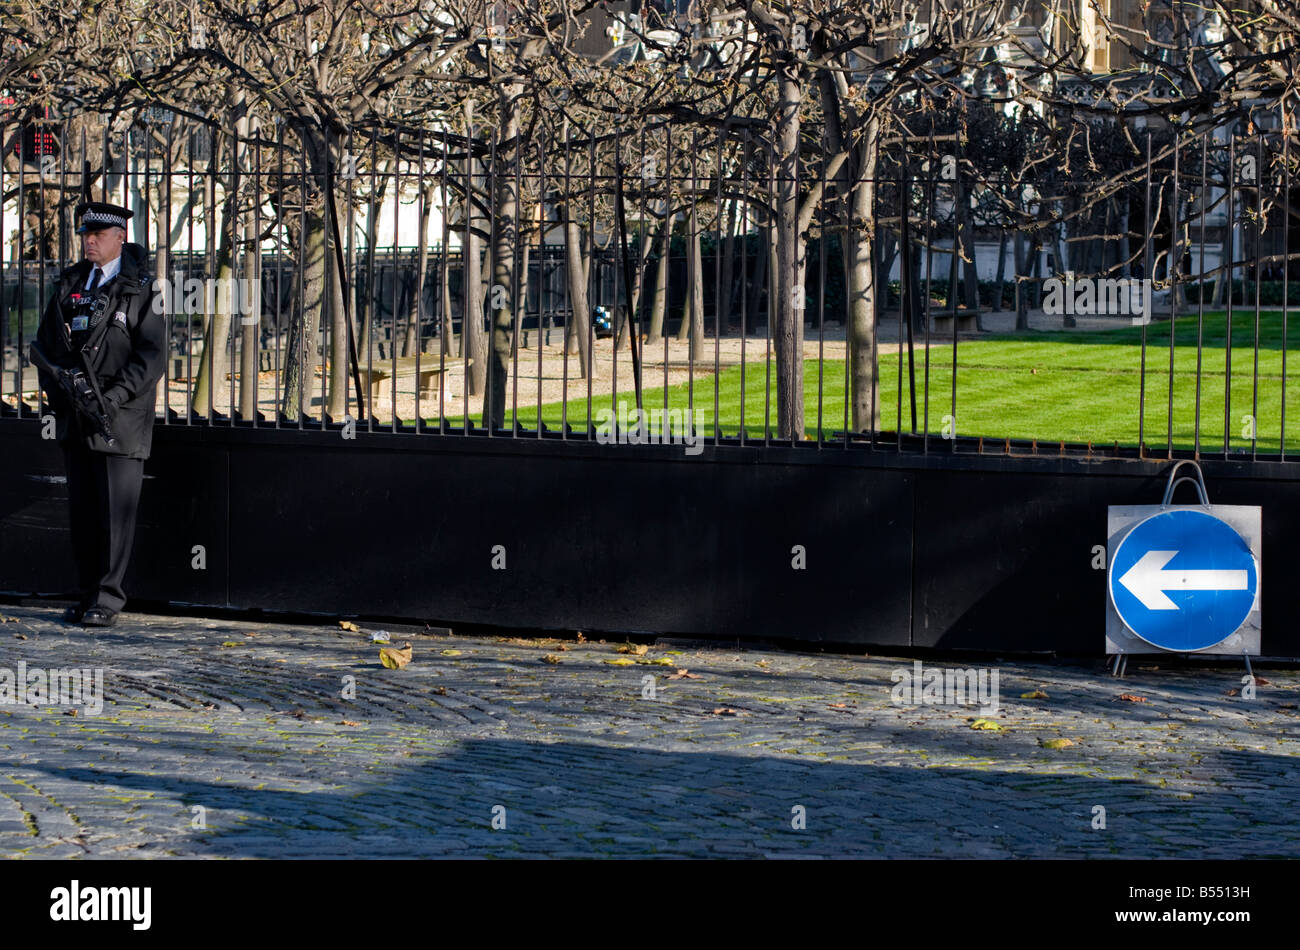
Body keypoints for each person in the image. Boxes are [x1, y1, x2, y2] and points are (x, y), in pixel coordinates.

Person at [32, 201, 166, 627]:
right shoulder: (70, 283)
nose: (89, 240)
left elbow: (154, 355)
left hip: (120, 417)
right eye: (86, 234)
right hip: (76, 414)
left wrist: (114, 395)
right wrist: (62, 395)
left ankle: (107, 599)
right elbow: (46, 346)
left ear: (119, 238)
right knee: (84, 512)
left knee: (114, 513)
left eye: (98, 235)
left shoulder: (145, 290)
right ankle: (87, 592)